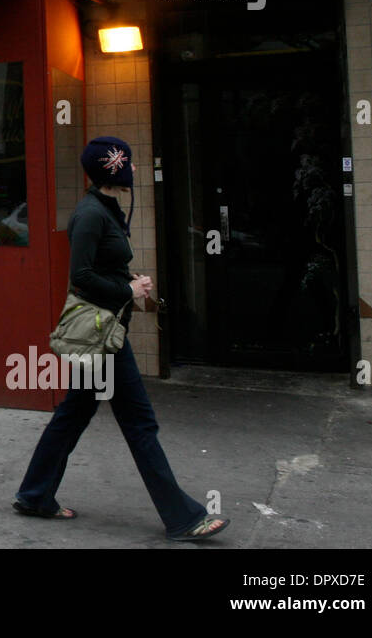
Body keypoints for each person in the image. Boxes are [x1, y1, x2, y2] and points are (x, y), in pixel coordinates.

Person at [13, 135, 229, 542]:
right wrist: (128, 291)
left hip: (107, 332)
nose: (134, 171)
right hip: (103, 337)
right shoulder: (92, 214)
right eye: (127, 165)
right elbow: (80, 277)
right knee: (139, 422)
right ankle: (183, 518)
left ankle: (34, 494)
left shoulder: (105, 210)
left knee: (73, 415)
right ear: (115, 172)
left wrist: (125, 280)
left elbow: (99, 268)